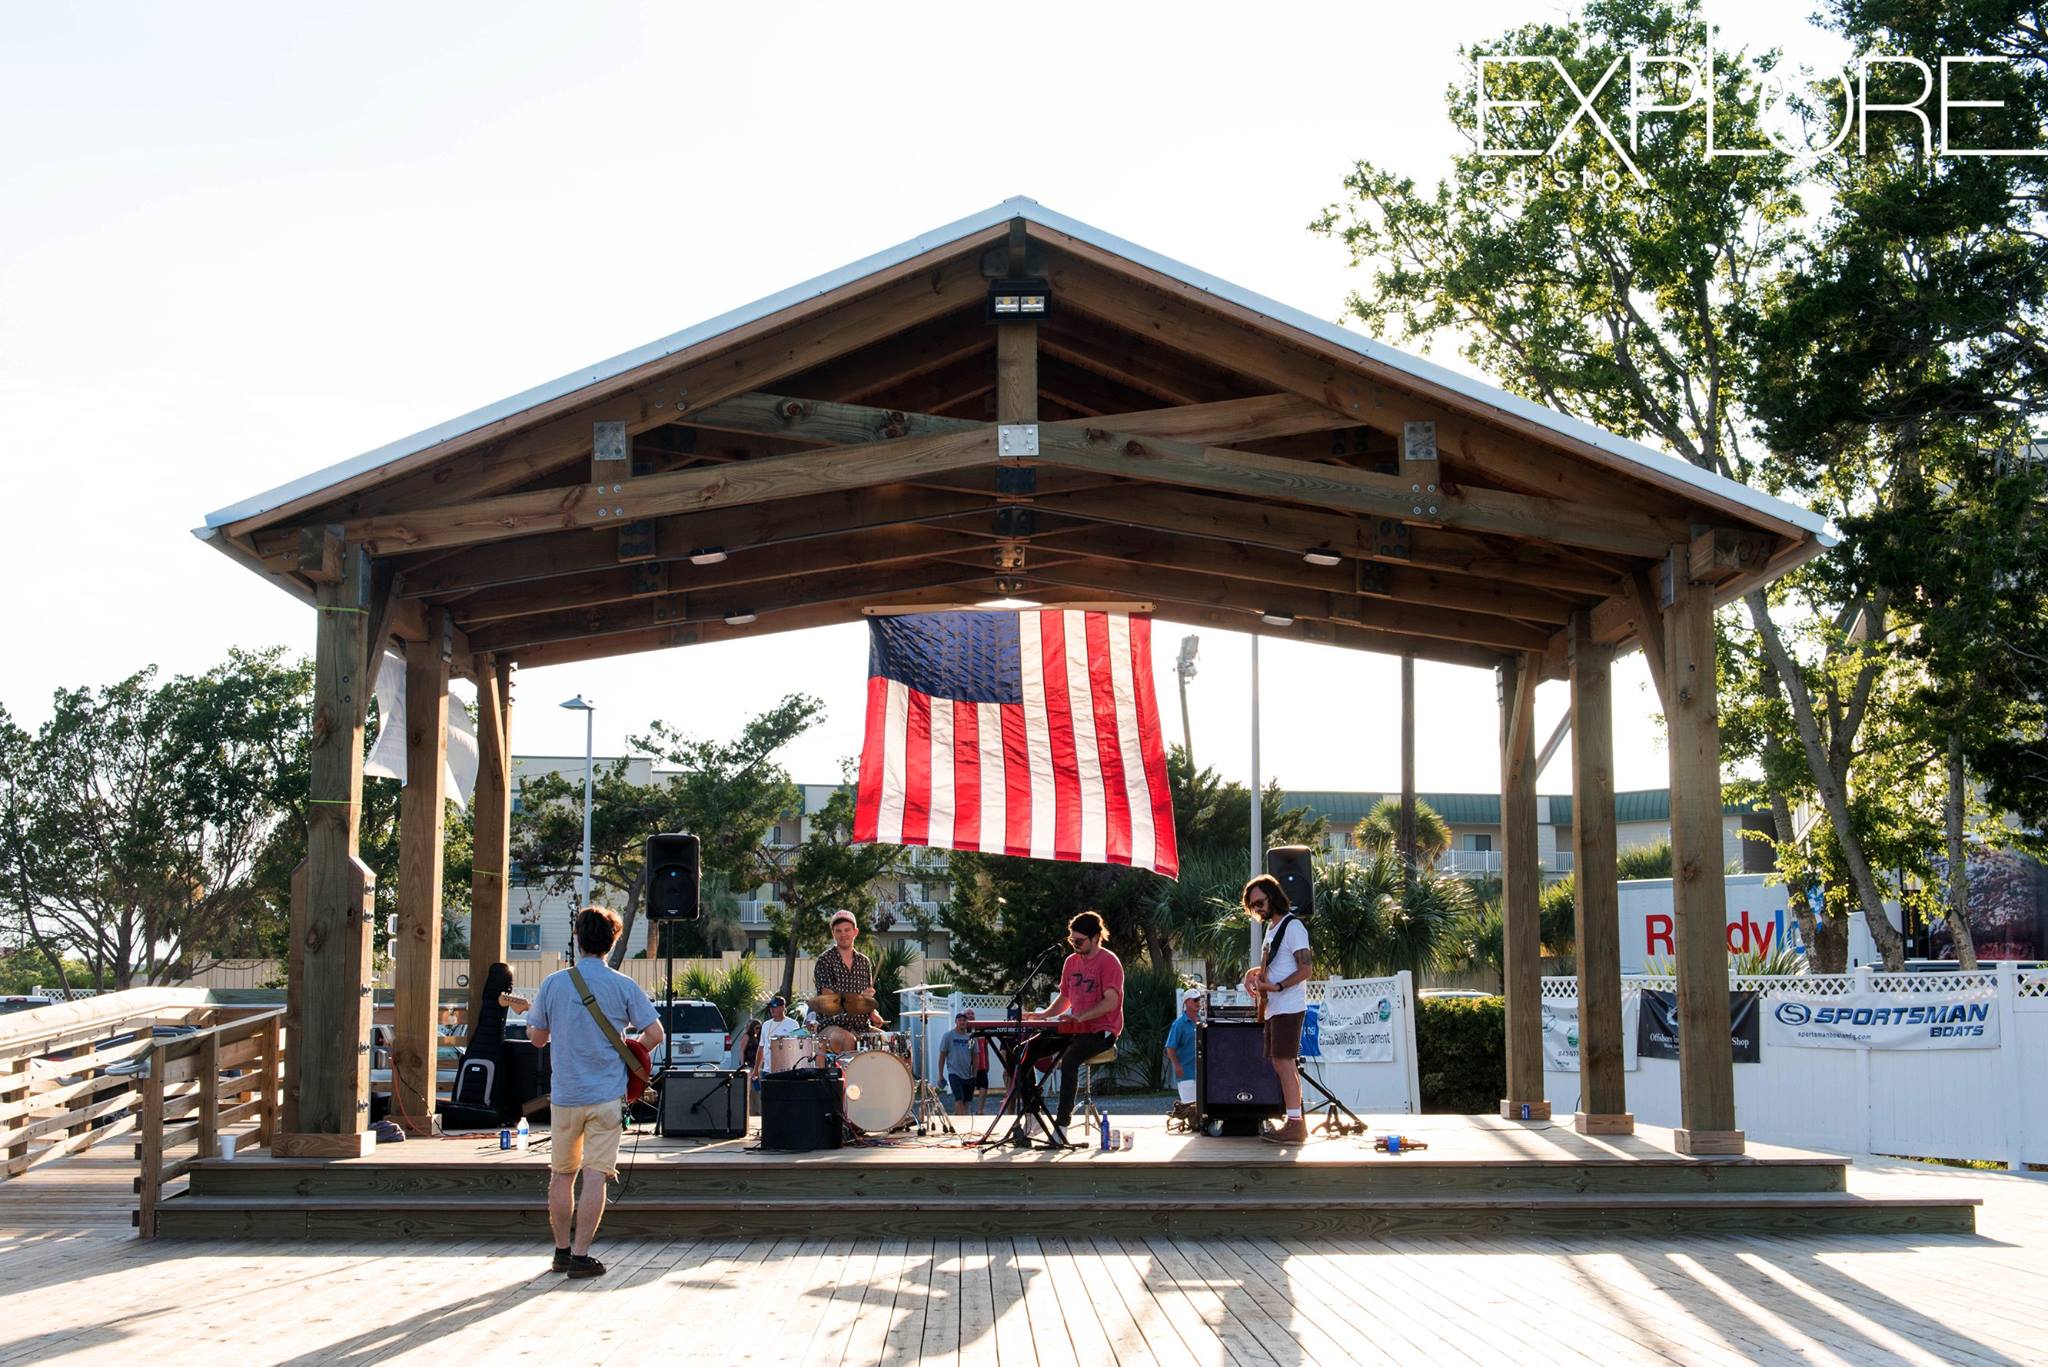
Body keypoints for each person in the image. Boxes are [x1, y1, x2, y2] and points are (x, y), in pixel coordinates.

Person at [524, 906, 665, 1279]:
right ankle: (582, 1256)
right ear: (612, 941)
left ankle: (560, 1252)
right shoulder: (622, 985)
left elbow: (537, 1038)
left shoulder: (554, 984)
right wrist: (631, 1052)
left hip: (565, 1095)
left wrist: (537, 1026)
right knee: (595, 1176)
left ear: (577, 938)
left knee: (561, 1175)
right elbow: (655, 1034)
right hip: (606, 1095)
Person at [1021, 910, 1124, 1146]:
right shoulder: (1071, 962)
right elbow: (1065, 998)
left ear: (1096, 937)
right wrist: (1044, 1016)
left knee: (1069, 1061)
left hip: (1101, 1031)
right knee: (1024, 1051)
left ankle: (1061, 1127)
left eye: (1079, 941)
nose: (1074, 945)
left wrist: (1080, 1017)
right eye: (1072, 940)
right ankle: (1033, 1113)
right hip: (1074, 1029)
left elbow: (1111, 1001)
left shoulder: (1109, 962)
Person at [1240, 874, 1311, 1145]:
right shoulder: (1272, 929)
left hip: (1288, 1006)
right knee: (1280, 1063)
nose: (1257, 909)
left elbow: (1305, 969)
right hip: (1274, 1006)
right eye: (1252, 905)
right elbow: (1278, 964)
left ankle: (1295, 1124)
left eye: (1259, 902)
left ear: (1273, 896)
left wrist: (1277, 987)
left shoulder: (1293, 927)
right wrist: (1254, 974)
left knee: (1284, 1062)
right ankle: (1294, 1121)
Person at [813, 909, 888, 1051]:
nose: (843, 934)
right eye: (838, 931)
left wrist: (873, 1013)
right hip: (831, 1025)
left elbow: (866, 1000)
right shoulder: (825, 960)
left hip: (861, 1026)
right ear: (833, 933)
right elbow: (829, 1000)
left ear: (855, 932)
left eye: (847, 930)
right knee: (848, 1039)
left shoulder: (864, 962)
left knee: (889, 1041)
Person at [1164, 990, 1201, 1123]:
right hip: (1186, 1071)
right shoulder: (1179, 1024)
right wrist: (1177, 1066)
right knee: (1191, 1108)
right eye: (1195, 1000)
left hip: (1202, 1072)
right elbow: (1170, 1048)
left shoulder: (1202, 1021)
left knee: (1203, 1107)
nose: (1198, 1002)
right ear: (1186, 1002)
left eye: (1199, 999)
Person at [937, 1009, 981, 1117]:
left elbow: (975, 1056)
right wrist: (940, 1075)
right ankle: (961, 1122)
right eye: (960, 1020)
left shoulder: (971, 1037)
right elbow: (942, 1055)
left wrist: (975, 1074)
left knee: (966, 1100)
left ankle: (962, 1118)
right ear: (956, 1022)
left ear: (967, 1022)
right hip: (954, 1072)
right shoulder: (948, 1036)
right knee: (959, 1098)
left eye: (964, 1020)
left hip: (968, 1074)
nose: (962, 1022)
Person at [754, 996, 803, 1079]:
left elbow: (797, 1047)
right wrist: (756, 1069)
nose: (772, 1009)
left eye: (775, 1006)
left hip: (786, 1070)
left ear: (782, 1007)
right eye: (771, 1007)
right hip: (767, 1070)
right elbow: (761, 1047)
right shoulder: (766, 1024)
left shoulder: (793, 1024)